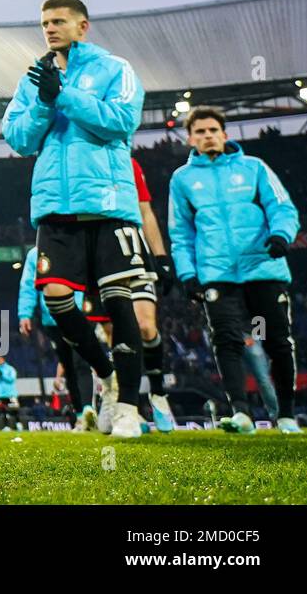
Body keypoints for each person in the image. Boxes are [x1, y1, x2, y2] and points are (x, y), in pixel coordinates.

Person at [2, 0, 147, 439]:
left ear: (82, 26)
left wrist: (63, 96)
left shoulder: (115, 69)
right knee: (57, 299)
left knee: (121, 304)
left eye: (59, 21)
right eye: (45, 22)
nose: (50, 29)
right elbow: (19, 139)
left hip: (108, 206)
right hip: (57, 210)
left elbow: (121, 121)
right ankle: (107, 374)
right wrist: (45, 100)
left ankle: (127, 409)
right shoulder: (35, 78)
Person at [168, 106, 301, 434]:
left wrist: (282, 235)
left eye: (213, 129)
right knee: (226, 340)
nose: (207, 135)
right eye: (200, 132)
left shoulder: (254, 168)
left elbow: (281, 206)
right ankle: (241, 413)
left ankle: (285, 415)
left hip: (261, 270)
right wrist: (187, 274)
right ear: (191, 138)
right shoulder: (183, 179)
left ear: (224, 134)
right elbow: (181, 232)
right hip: (218, 277)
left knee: (274, 342)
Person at [17, 246, 97, 431]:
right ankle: (80, 414)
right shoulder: (34, 255)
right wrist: (25, 314)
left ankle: (87, 410)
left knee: (80, 362)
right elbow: (28, 285)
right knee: (68, 365)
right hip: (52, 318)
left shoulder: (78, 243)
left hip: (81, 313)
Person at [130, 157, 177, 432]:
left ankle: (158, 395)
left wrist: (161, 255)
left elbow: (145, 210)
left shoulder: (129, 162)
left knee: (146, 326)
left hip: (133, 249)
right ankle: (127, 405)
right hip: (98, 251)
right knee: (115, 334)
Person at [0, 356, 21, 431]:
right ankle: (6, 426)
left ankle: (18, 424)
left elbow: (12, 379)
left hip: (11, 393)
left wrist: (3, 375)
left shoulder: (10, 369)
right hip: (1, 394)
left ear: (3, 359)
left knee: (14, 409)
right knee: (3, 411)